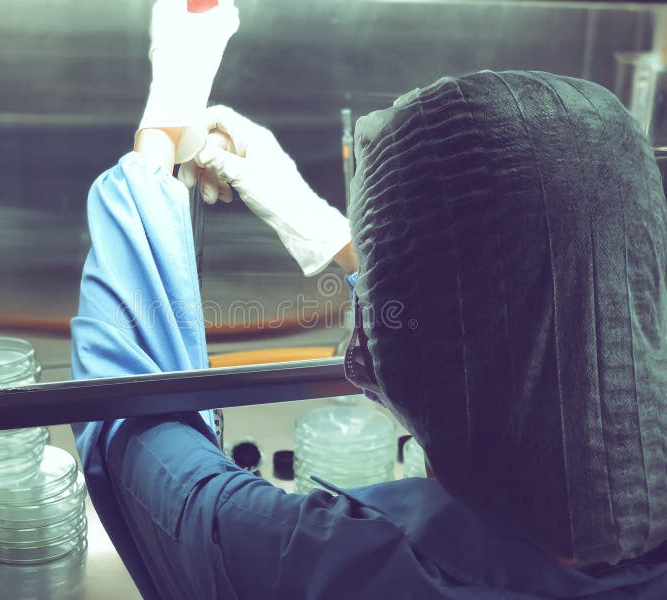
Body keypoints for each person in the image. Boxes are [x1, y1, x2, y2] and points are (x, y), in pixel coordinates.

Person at [71, 2, 667, 598]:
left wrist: (159, 133)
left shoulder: (333, 570)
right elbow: (501, 306)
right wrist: (326, 231)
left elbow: (147, 449)